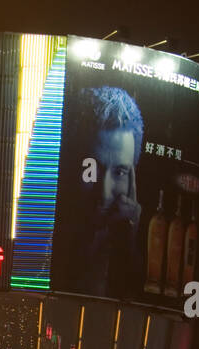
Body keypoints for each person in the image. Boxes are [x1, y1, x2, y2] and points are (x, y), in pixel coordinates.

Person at [58, 85, 144, 298]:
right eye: (91, 169)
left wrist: (129, 245)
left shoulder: (132, 248)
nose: (104, 194)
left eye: (120, 172)